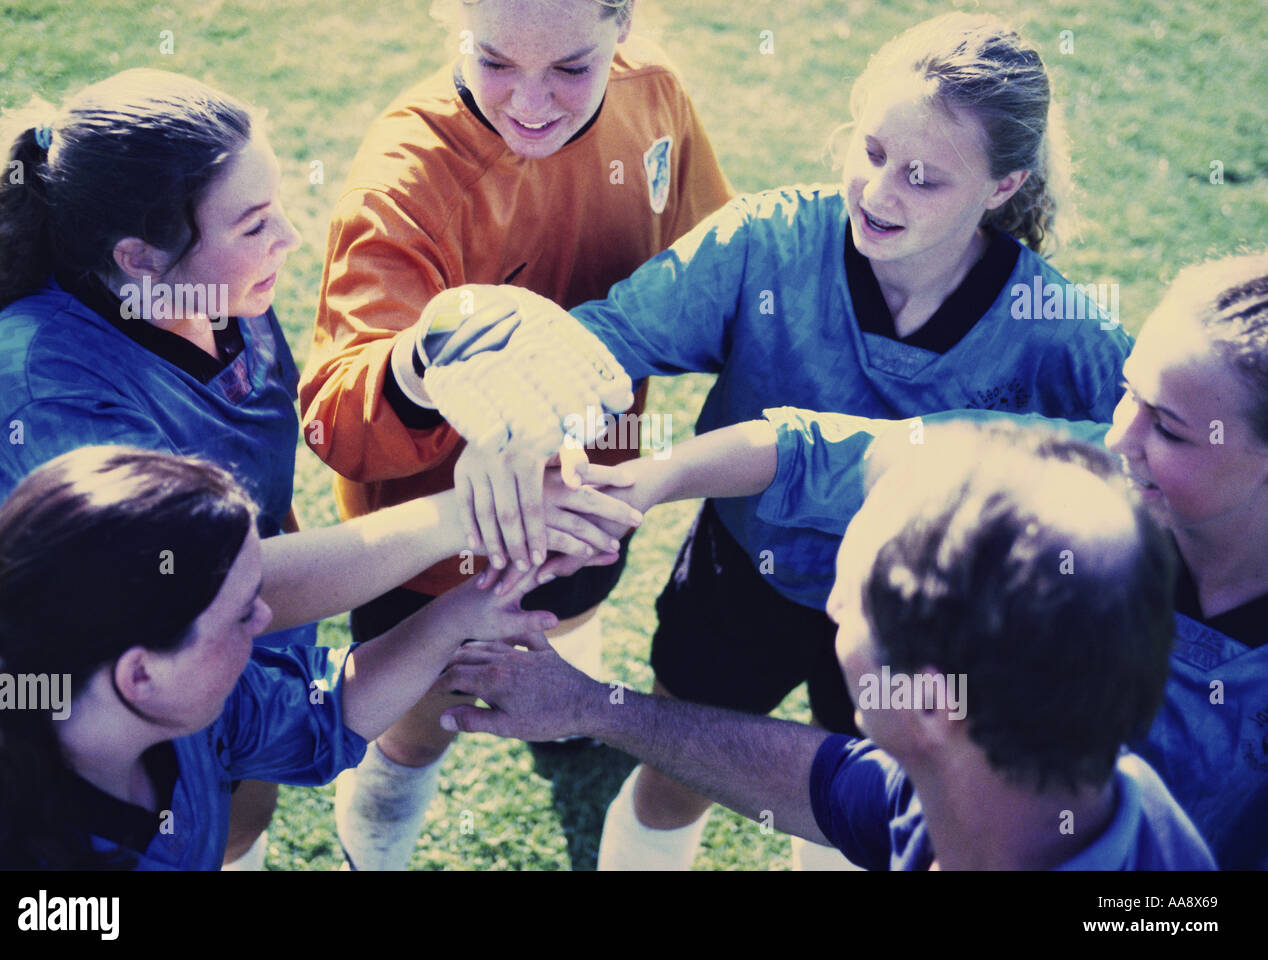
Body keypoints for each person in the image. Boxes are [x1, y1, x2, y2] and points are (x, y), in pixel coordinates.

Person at [425, 11, 1131, 869]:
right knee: (676, 768)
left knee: (860, 803)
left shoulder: (1058, 331)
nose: (879, 193)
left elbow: (1145, 458)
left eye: (923, 177)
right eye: (870, 153)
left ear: (1002, 187)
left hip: (920, 617)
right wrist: (519, 415)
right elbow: (612, 336)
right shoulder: (769, 242)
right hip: (739, 578)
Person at [0, 66, 636, 869]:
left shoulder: (215, 297)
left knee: (239, 812)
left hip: (221, 666)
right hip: (145, 694)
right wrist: (463, 516)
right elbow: (194, 587)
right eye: (253, 224)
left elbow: (271, 541)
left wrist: (422, 363)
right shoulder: (40, 387)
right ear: (139, 256)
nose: (288, 236)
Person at [558, 250, 1268, 869]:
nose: (1118, 436)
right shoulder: (1067, 475)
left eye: (1170, 429)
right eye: (1127, 393)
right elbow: (822, 453)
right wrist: (652, 481)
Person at [298, 0, 731, 870]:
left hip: (594, 496)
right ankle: (371, 847)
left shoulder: (658, 98)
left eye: (571, 68)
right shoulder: (406, 176)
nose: (531, 102)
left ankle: (566, 716)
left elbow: (712, 259)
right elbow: (338, 420)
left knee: (576, 612)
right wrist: (426, 362)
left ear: (626, 22)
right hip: (433, 546)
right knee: (419, 733)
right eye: (495, 61)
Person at [436, 427, 1216, 870]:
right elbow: (834, 788)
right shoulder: (1036, 792)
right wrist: (587, 706)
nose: (832, 606)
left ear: (931, 699)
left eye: (852, 600)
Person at [0, 445, 557, 870]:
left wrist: (465, 611)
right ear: (139, 672)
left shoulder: (152, 698)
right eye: (241, 612)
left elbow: (328, 710)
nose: (267, 618)